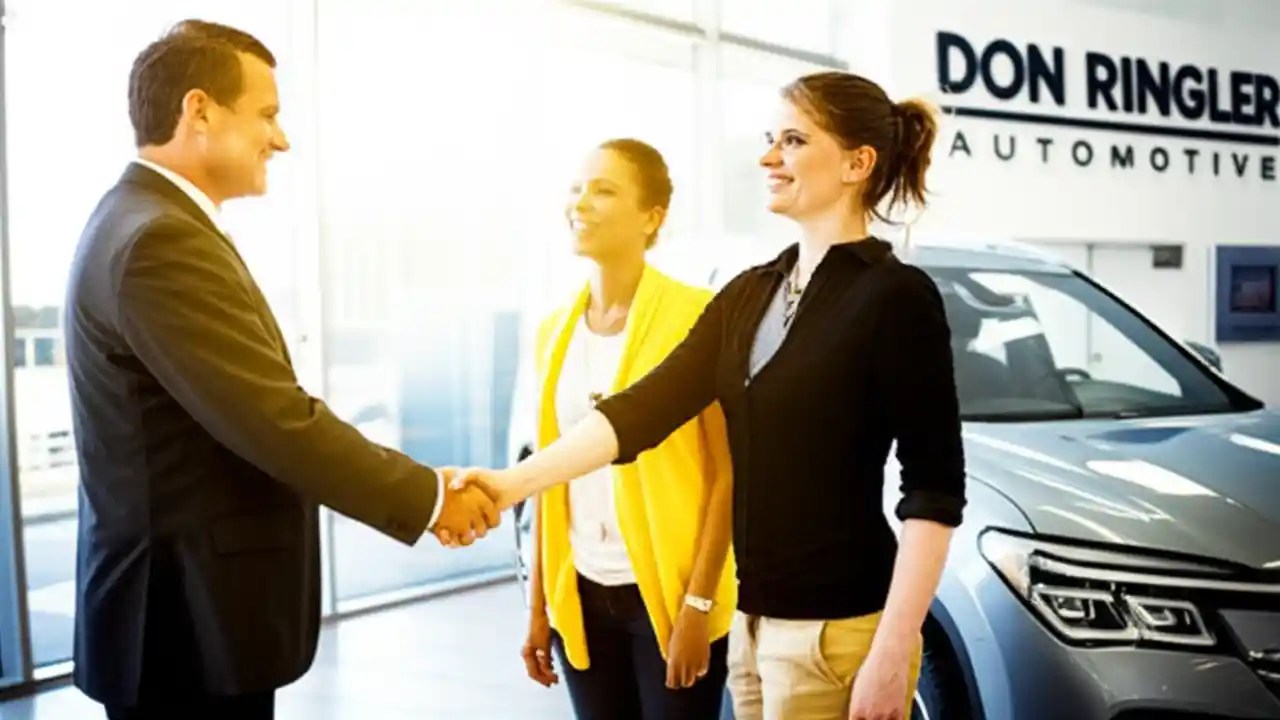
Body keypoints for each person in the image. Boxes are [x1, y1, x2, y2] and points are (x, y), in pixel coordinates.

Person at [454, 71, 966, 720]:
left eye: (792, 140)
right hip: (751, 628)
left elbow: (934, 489)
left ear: (856, 163)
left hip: (839, 634)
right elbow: (641, 411)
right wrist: (507, 485)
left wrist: (894, 650)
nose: (767, 157)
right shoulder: (749, 294)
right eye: (768, 139)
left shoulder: (895, 297)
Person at [63, 20, 497, 720]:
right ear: (198, 110)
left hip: (182, 621)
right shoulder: (159, 239)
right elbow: (274, 421)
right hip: (182, 628)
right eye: (267, 114)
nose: (282, 138)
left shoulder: (141, 220)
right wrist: (429, 497)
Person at [520, 139, 737, 719]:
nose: (581, 202)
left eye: (604, 189)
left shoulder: (698, 315)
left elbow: (725, 473)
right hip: (582, 597)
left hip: (668, 598)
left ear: (652, 217)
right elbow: (550, 477)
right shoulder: (553, 333)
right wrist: (539, 605)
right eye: (577, 187)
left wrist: (698, 603)